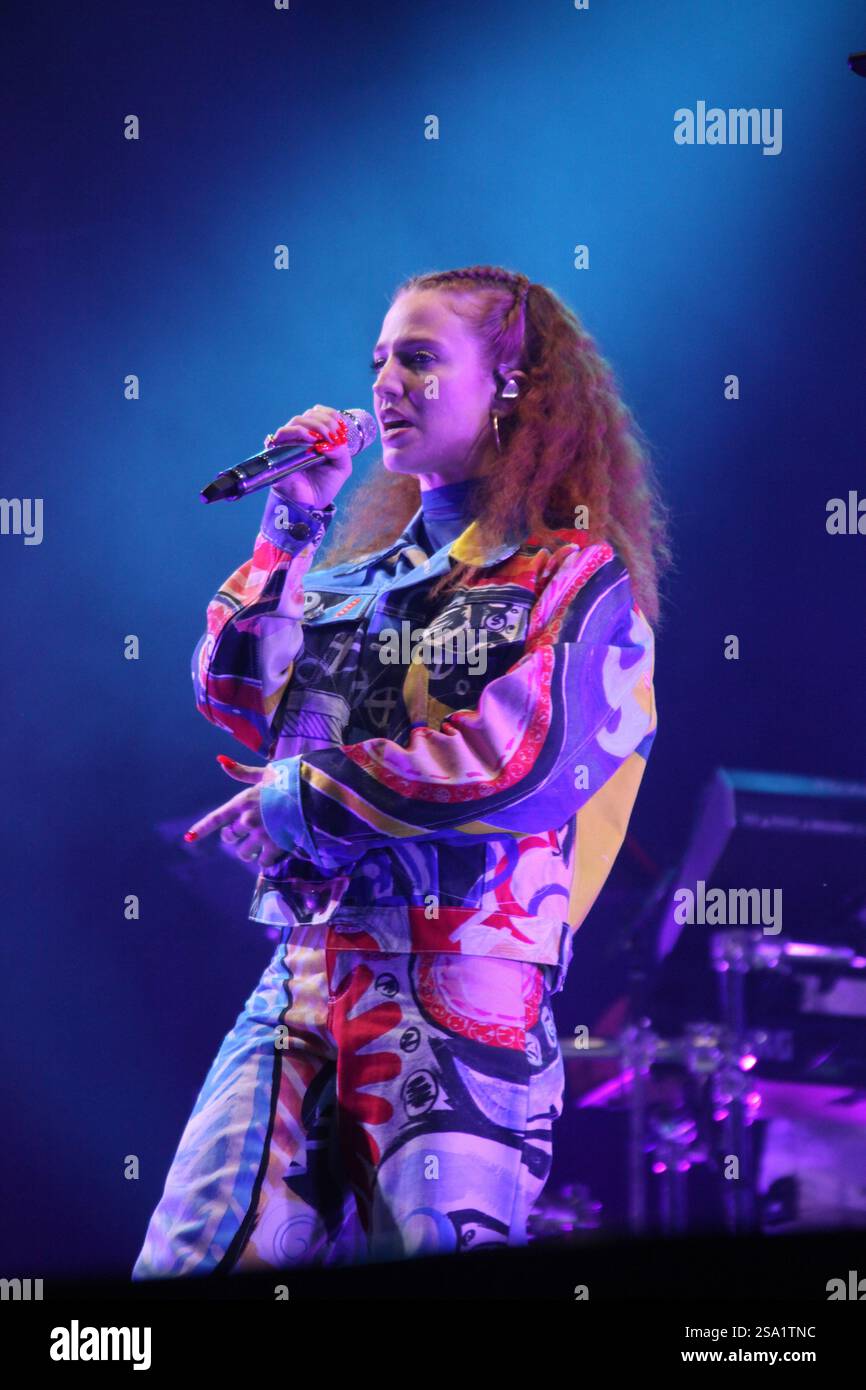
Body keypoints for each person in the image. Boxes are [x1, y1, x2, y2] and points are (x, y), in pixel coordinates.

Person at [132, 264, 669, 1278]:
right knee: (188, 1258)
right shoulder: (369, 581)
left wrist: (297, 800)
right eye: (377, 360)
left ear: (511, 382)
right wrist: (292, 524)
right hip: (304, 977)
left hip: (458, 986)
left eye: (418, 359)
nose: (383, 383)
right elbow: (245, 703)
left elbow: (515, 764)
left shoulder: (566, 578)